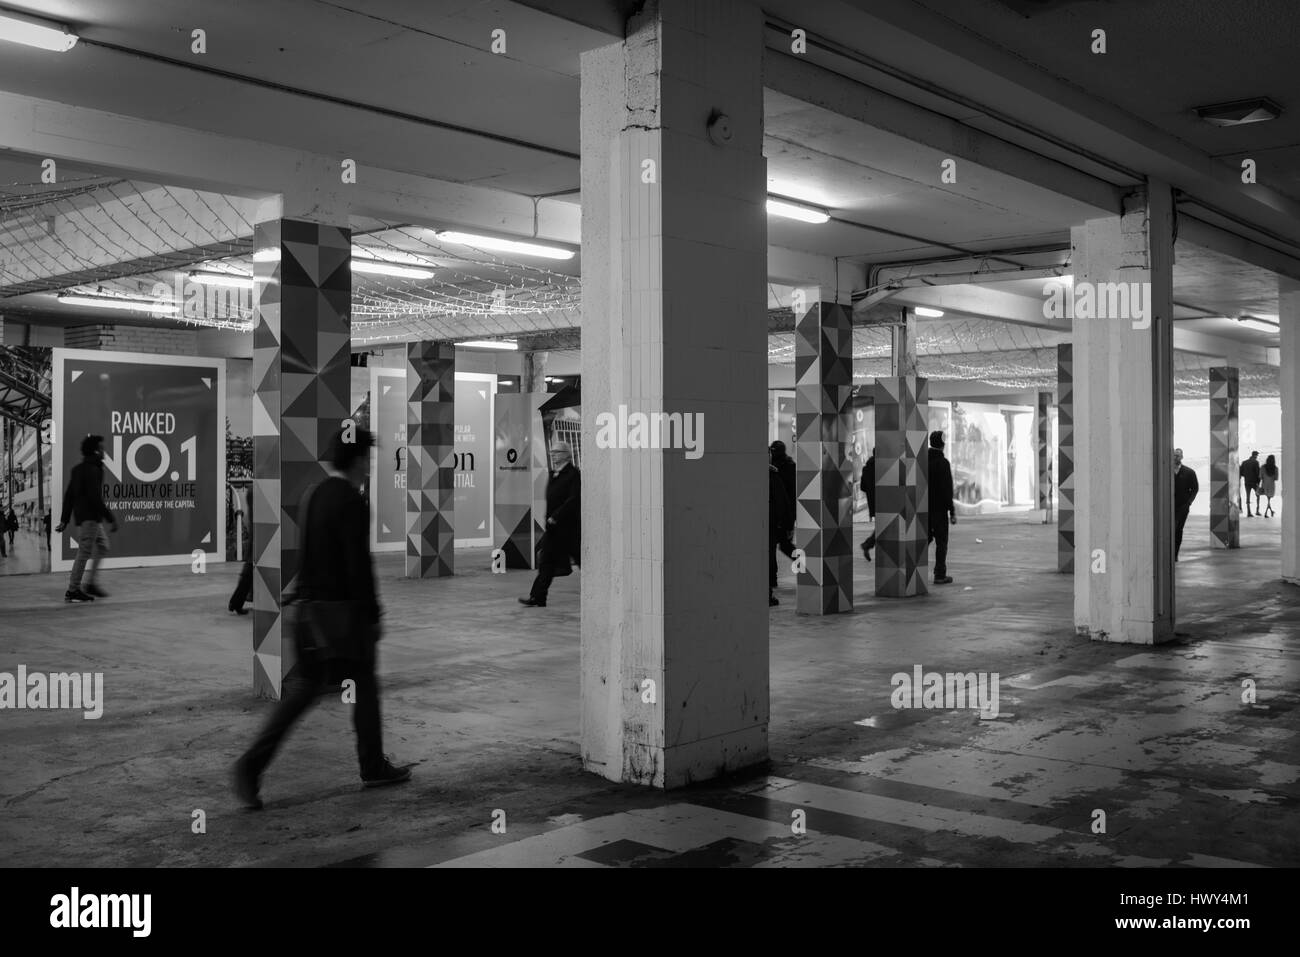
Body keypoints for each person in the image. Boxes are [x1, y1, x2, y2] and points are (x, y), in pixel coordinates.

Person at [233, 426, 410, 810]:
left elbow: (306, 557)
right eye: (369, 458)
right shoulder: (351, 501)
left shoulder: (313, 494)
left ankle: (251, 764)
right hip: (342, 619)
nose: (370, 465)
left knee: (301, 695)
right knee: (363, 687)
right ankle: (373, 766)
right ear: (360, 460)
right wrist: (373, 614)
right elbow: (358, 566)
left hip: (310, 616)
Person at [55, 434, 117, 602]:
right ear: (96, 451)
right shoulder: (94, 470)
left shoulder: (79, 469)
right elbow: (95, 498)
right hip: (90, 519)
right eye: (102, 449)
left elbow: (69, 496)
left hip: (87, 519)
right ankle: (73, 590)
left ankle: (90, 584)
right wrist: (110, 518)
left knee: (103, 546)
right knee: (84, 553)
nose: (105, 452)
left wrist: (64, 520)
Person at [519, 441, 581, 608]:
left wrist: (556, 516)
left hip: (568, 529)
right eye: (552, 452)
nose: (553, 454)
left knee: (582, 560)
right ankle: (537, 597)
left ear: (566, 455)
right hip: (553, 529)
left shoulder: (573, 474)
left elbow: (573, 500)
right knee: (546, 562)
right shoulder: (554, 473)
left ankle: (598, 590)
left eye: (557, 452)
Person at [928, 431, 956, 585]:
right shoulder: (943, 463)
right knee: (941, 542)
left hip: (923, 508)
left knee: (924, 538)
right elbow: (947, 489)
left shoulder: (922, 461)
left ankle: (911, 568)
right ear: (942, 444)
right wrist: (951, 510)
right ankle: (939, 574)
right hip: (939, 510)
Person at [768, 459, 791, 606]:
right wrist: (787, 524)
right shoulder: (771, 475)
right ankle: (767, 593)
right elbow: (782, 503)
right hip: (769, 523)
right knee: (768, 557)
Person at [228, 486, 253, 615]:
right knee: (250, 568)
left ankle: (237, 602)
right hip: (259, 534)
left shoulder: (253, 490)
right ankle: (236, 602)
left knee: (250, 567)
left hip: (256, 532)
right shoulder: (256, 491)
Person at [769, 441, 796, 559]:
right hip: (782, 513)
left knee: (783, 545)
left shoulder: (780, 468)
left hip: (783, 513)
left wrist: (790, 521)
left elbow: (789, 495)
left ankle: (804, 565)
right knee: (782, 545)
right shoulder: (787, 465)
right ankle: (804, 566)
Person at [1174, 447, 1199, 561]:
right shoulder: (1166, 471)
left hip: (1182, 507)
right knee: (1168, 530)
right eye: (1174, 455)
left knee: (1178, 529)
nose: (1176, 457)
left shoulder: (1189, 472)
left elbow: (1195, 489)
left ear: (1182, 457)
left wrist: (1188, 503)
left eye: (1178, 455)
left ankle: (1175, 554)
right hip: (1168, 506)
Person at [860, 448, 876, 561]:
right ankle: (867, 544)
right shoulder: (884, 467)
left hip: (873, 502)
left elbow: (862, 487)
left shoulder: (866, 468)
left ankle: (868, 544)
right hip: (886, 501)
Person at [1240, 450, 1261, 517]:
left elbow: (1241, 472)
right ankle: (1257, 511)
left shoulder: (1244, 462)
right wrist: (1258, 482)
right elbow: (1258, 473)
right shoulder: (1256, 462)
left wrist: (1246, 476)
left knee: (1247, 497)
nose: (1257, 457)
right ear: (1255, 455)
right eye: (1257, 455)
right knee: (1258, 496)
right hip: (1255, 482)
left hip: (1247, 482)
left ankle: (1249, 512)